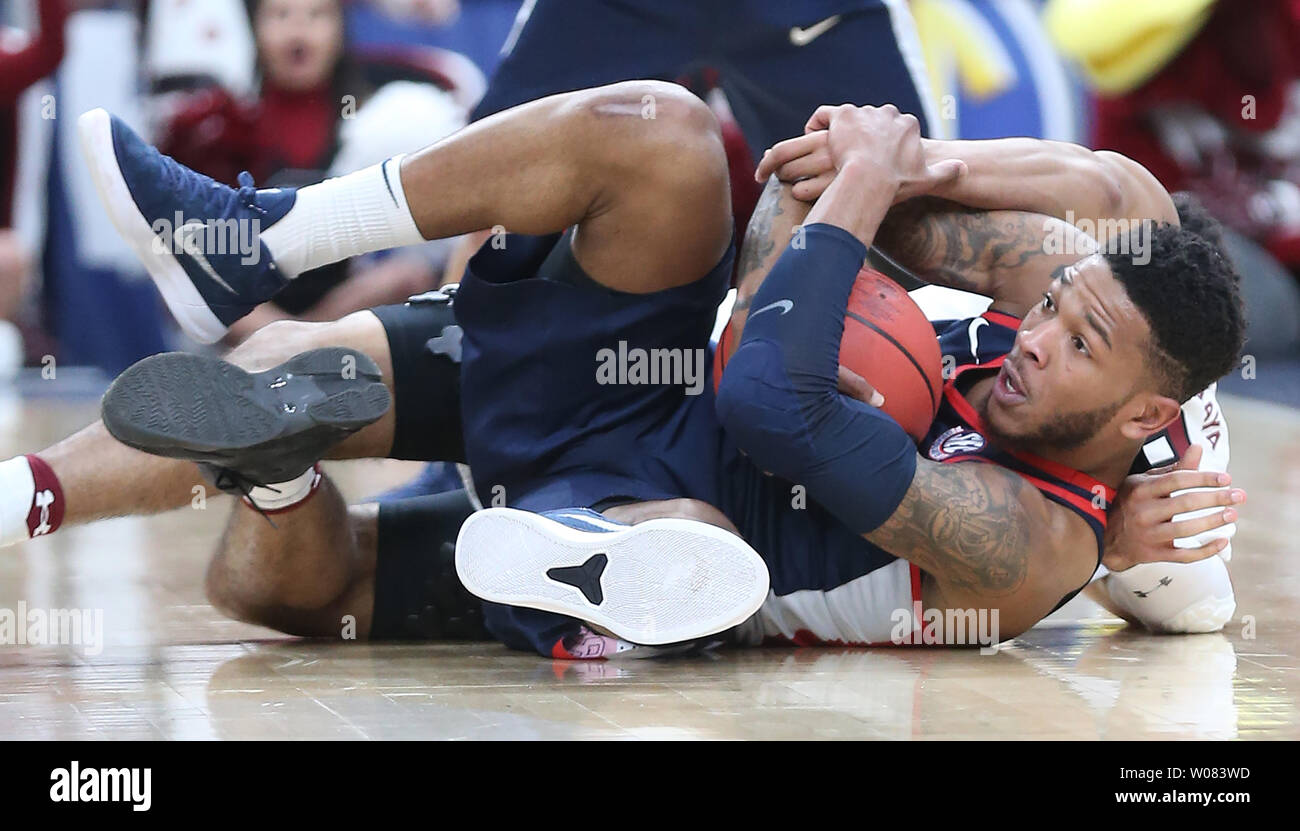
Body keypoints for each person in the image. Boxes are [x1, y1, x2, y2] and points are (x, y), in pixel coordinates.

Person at [1, 82, 1245, 657]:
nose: (1033, 337)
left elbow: (772, 401)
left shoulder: (1031, 546)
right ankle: (269, 244)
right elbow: (805, 188)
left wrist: (860, 195)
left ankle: (293, 483)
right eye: (1054, 310)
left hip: (693, 497)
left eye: (1075, 345)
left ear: (1143, 411)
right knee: (658, 132)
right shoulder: (1096, 299)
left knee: (288, 599)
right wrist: (910, 169)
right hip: (651, 373)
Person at [156, 0, 463, 343]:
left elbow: (423, 263)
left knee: (408, 274)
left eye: (317, 15)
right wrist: (273, 335)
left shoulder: (389, 118)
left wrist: (309, 337)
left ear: (341, 26)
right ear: (253, 25)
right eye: (281, 15)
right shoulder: (210, 128)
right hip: (243, 327)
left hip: (356, 325)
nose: (298, 31)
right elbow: (181, 261)